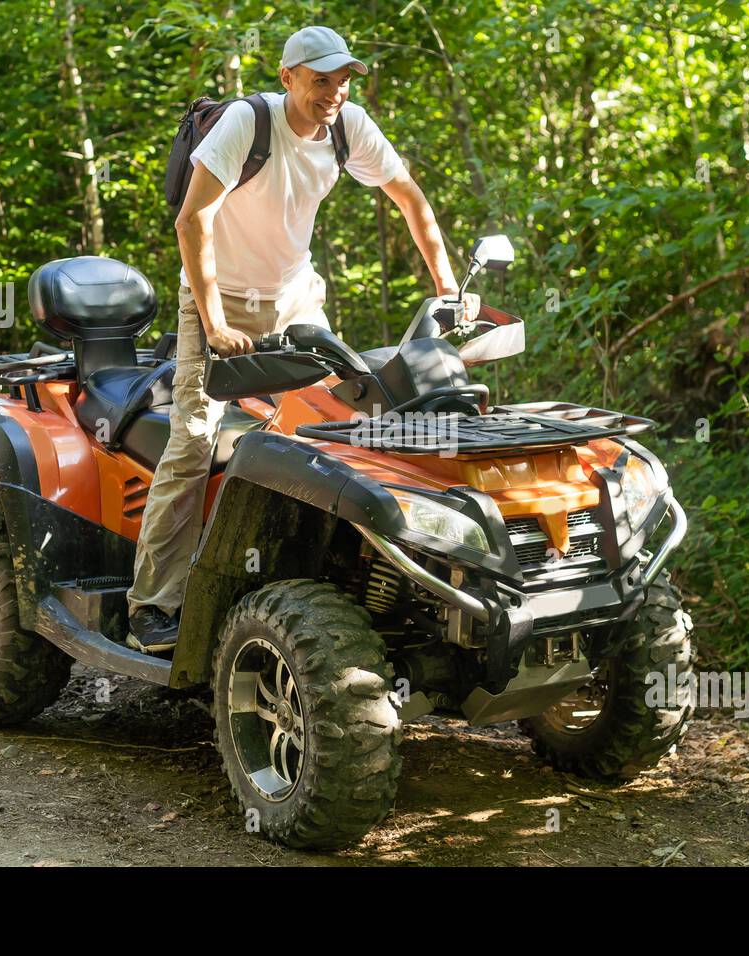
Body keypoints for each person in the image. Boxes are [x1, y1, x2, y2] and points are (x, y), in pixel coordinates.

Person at [126, 25, 480, 653]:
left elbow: (408, 196)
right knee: (193, 443)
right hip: (220, 300)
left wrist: (447, 289)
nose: (335, 91)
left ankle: (331, 584)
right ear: (288, 77)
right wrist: (214, 325)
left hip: (295, 300)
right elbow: (193, 219)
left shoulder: (349, 126)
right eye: (321, 80)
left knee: (338, 432)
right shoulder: (246, 123)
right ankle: (154, 605)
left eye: (344, 78)